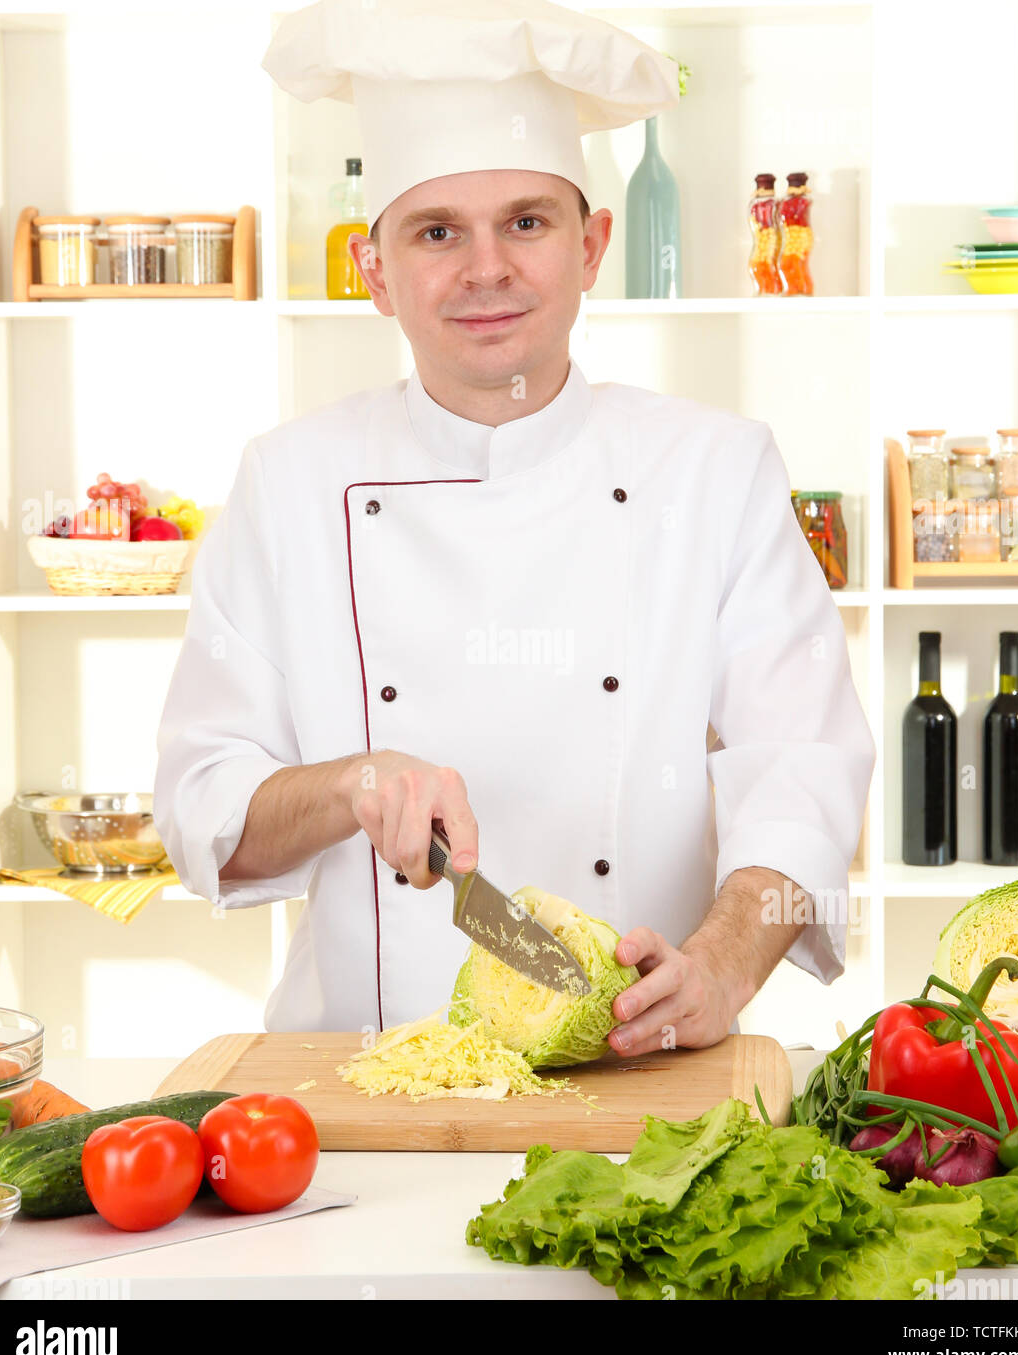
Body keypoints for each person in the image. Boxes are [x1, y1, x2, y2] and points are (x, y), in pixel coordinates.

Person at [154, 0, 875, 1055]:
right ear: (373, 272)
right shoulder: (289, 483)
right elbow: (202, 805)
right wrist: (353, 784)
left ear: (592, 247)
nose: (485, 267)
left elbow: (801, 764)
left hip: (637, 1067)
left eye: (527, 223)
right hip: (362, 1071)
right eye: (436, 231)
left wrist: (719, 966)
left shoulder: (714, 469)